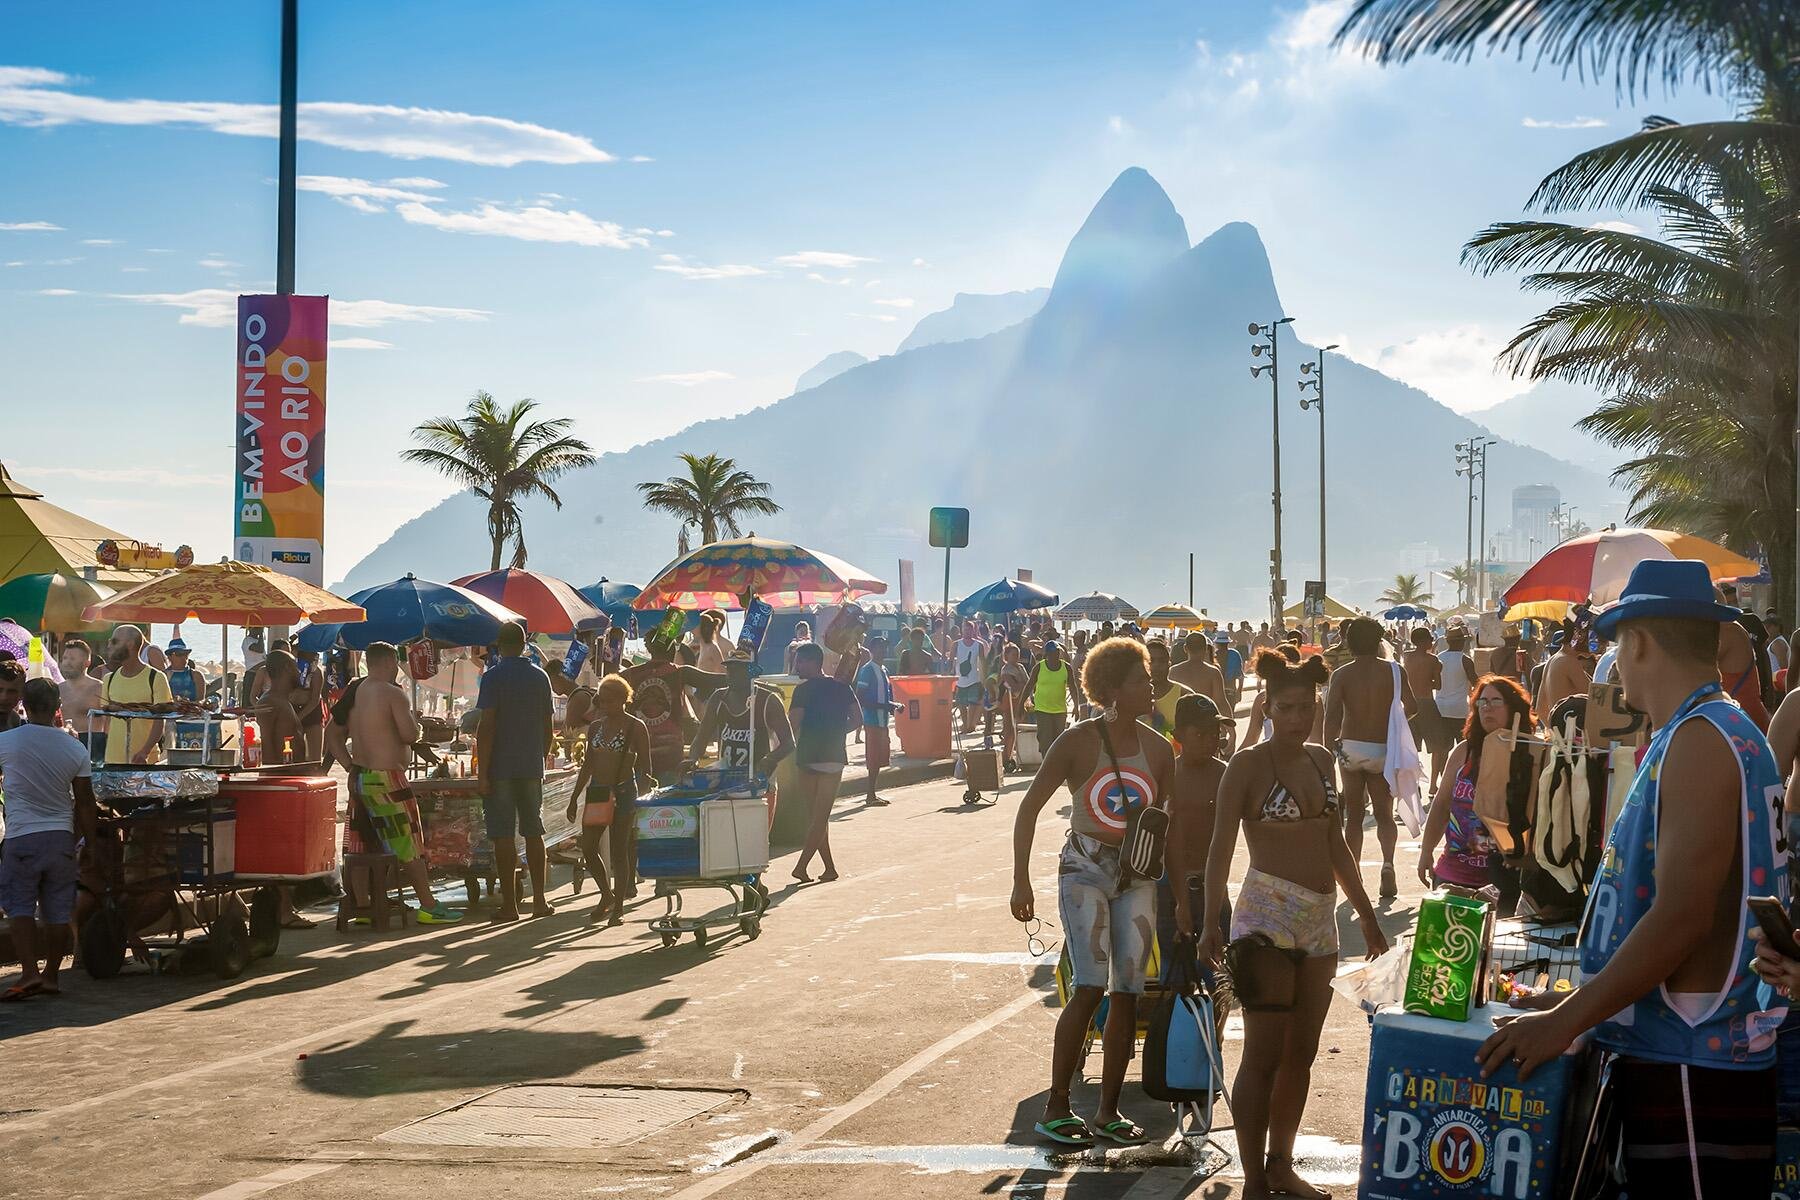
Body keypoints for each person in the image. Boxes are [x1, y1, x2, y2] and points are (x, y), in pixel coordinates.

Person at [1478, 559, 1786, 1196]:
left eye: (1617, 645)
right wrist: (1574, 1004)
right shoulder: (1715, 730)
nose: (1614, 663)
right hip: (1686, 1050)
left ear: (1639, 641)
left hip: (1694, 1055)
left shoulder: (1704, 739)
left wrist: (1566, 1021)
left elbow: (1682, 918)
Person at [1198, 650, 1388, 1200]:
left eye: (1306, 707)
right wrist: (1213, 918)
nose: (1298, 718)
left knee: (1301, 1055)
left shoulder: (1321, 760)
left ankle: (1281, 1164)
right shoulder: (1248, 765)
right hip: (1265, 915)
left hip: (1319, 918)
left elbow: (1336, 844)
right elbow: (1219, 847)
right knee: (1262, 1053)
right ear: (1267, 706)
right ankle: (1255, 1179)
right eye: (1286, 707)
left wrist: (1369, 919)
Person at [1011, 637, 1175, 1148]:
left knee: (1127, 991)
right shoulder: (1077, 741)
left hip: (1138, 878)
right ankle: (1057, 1106)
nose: (1149, 687)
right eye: (1139, 680)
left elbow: (1163, 821)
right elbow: (1028, 809)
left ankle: (1108, 1110)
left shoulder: (1156, 748)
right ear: (1111, 689)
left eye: (1148, 679)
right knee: (1088, 985)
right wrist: (1020, 880)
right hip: (1084, 869)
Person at [326, 642, 462, 924]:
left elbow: (332, 735)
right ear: (388, 662)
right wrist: (416, 723)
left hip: (361, 776)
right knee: (409, 842)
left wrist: (349, 765)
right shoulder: (392, 693)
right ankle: (428, 905)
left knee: (363, 843)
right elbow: (410, 734)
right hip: (388, 779)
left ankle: (362, 906)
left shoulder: (355, 692)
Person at [0, 679, 96, 1000]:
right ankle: (52, 975)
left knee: (20, 908)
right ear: (58, 707)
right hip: (60, 839)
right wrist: (90, 845)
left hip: (20, 838)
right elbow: (85, 802)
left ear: (22, 705)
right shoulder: (74, 748)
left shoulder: (6, 742)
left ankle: (29, 973)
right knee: (57, 911)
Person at [1416, 676, 1533, 911]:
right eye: (1482, 701)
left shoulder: (1531, 753)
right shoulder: (1464, 751)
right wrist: (1426, 851)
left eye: (1495, 701)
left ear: (1513, 708)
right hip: (1454, 873)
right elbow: (1441, 806)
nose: (1487, 707)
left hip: (1504, 880)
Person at [1324, 617, 1417, 901]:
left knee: (1353, 815)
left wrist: (1329, 752)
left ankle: (1354, 873)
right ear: (1379, 641)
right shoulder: (1394, 671)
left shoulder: (1341, 674)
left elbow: (1331, 718)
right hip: (1382, 748)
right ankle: (1387, 864)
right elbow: (1411, 707)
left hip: (1350, 747)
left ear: (1349, 643)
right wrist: (1393, 723)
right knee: (1383, 813)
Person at [475, 621, 555, 922]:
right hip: (531, 766)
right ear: (525, 644)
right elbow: (548, 728)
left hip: (500, 768)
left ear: (499, 644)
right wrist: (540, 758)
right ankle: (539, 901)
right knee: (535, 832)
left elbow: (487, 727)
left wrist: (483, 773)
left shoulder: (493, 677)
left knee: (503, 835)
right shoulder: (540, 677)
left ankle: (510, 906)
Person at [565, 675, 653, 925]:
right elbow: (588, 765)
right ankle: (607, 894)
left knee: (619, 851)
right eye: (601, 701)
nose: (604, 706)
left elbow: (646, 767)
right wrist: (574, 797)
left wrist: (643, 800)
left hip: (625, 792)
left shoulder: (636, 727)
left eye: (610, 701)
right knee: (589, 846)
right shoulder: (596, 727)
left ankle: (618, 908)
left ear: (624, 700)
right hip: (598, 791)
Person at [1163, 693, 1231, 989]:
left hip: (1213, 889)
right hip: (1169, 889)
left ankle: (1212, 1036)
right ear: (1178, 736)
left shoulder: (1224, 774)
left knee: (1219, 978)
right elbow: (1169, 844)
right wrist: (1180, 903)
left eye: (1215, 733)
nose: (1210, 740)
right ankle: (1178, 1034)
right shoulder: (1167, 776)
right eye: (1200, 733)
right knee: (1176, 979)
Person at [686, 649, 794, 826]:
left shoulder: (768, 701)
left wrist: (769, 759)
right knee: (726, 835)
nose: (731, 674)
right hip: (726, 780)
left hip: (759, 783)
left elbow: (789, 743)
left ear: (751, 671)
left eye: (737, 670)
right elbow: (701, 737)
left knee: (756, 839)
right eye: (729, 669)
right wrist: (692, 759)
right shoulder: (718, 698)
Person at [790, 643, 857, 883]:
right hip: (832, 756)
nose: (796, 666)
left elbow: (792, 726)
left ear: (813, 663)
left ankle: (806, 865)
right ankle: (826, 868)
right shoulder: (842, 687)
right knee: (820, 819)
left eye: (800, 661)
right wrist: (838, 732)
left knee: (816, 818)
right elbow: (857, 718)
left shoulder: (802, 691)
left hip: (807, 756)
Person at [621, 637, 723, 783]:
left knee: (639, 803)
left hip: (638, 759)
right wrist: (746, 674)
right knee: (668, 803)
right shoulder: (680, 672)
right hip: (671, 759)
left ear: (650, 649)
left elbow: (603, 693)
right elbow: (716, 680)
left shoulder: (629, 674)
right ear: (672, 648)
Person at [100, 625, 172, 765]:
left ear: (130, 644)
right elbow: (107, 722)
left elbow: (160, 721)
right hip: (112, 760)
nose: (109, 645)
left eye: (114, 641)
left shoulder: (156, 677)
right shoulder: (109, 679)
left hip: (144, 761)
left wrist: (144, 752)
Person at [855, 634, 903, 806]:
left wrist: (892, 705)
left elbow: (884, 698)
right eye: (879, 646)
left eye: (885, 646)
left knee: (880, 757)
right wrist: (886, 706)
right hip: (872, 720)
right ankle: (870, 794)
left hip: (882, 720)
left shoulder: (884, 670)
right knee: (873, 758)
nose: (883, 649)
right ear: (872, 649)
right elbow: (861, 697)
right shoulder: (867, 670)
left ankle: (872, 792)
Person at [1402, 626, 1451, 791]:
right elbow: (1438, 685)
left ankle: (1414, 785)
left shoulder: (1406, 657)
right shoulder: (1433, 660)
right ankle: (1432, 785)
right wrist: (1434, 674)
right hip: (1427, 704)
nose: (1431, 641)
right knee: (1439, 746)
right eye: (1429, 639)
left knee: (1411, 747)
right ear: (1423, 642)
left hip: (1409, 704)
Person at [1169, 632, 1234, 753]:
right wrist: (1232, 731)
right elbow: (1221, 702)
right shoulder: (1212, 672)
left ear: (1185, 649)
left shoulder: (1173, 671)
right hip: (1207, 727)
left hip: (1182, 728)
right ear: (1205, 649)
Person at [1025, 639, 1079, 758]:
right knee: (1045, 740)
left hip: (1059, 710)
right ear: (1047, 655)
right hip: (1042, 709)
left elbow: (1073, 687)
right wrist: (1021, 705)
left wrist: (1076, 706)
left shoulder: (1067, 668)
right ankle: (1046, 763)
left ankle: (1057, 764)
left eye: (1057, 652)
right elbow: (1029, 685)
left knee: (1058, 740)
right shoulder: (1039, 667)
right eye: (1053, 653)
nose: (1056, 655)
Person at [1535, 622, 1591, 721]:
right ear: (1580, 637)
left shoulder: (1552, 660)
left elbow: (1540, 709)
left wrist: (1556, 732)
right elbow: (1597, 698)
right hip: (1573, 731)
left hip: (1562, 731)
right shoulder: (1570, 662)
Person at [56, 641, 103, 758]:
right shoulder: (56, 689)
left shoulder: (100, 688)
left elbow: (110, 723)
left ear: (87, 662)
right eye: (65, 658)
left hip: (92, 750)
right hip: (61, 747)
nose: (67, 662)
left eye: (72, 659)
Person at [1142, 638, 1193, 743]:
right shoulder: (1130, 696)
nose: (1156, 666)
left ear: (1169, 664)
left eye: (1161, 661)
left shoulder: (1185, 696)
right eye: (1151, 661)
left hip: (1174, 758)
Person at [951, 620, 985, 736]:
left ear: (973, 630)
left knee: (973, 703)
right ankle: (965, 725)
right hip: (960, 679)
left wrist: (983, 678)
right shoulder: (956, 644)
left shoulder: (979, 645)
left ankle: (971, 725)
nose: (967, 631)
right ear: (962, 630)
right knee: (961, 704)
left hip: (974, 679)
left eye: (970, 629)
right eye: (965, 629)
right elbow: (951, 661)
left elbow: (983, 662)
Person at [163, 637, 207, 705]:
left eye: (186, 654)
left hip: (192, 712)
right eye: (179, 654)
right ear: (169, 656)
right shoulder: (163, 675)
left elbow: (201, 700)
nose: (184, 657)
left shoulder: (196, 675)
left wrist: (188, 704)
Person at [692, 609, 728, 673]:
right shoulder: (702, 646)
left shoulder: (712, 648)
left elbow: (723, 672)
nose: (692, 630)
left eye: (695, 626)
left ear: (703, 629)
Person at [1217, 632, 1245, 710]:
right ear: (1228, 643)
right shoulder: (1235, 654)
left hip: (1217, 692)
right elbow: (1240, 676)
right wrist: (1239, 691)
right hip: (1231, 690)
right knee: (1230, 716)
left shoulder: (1213, 656)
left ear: (1217, 644)